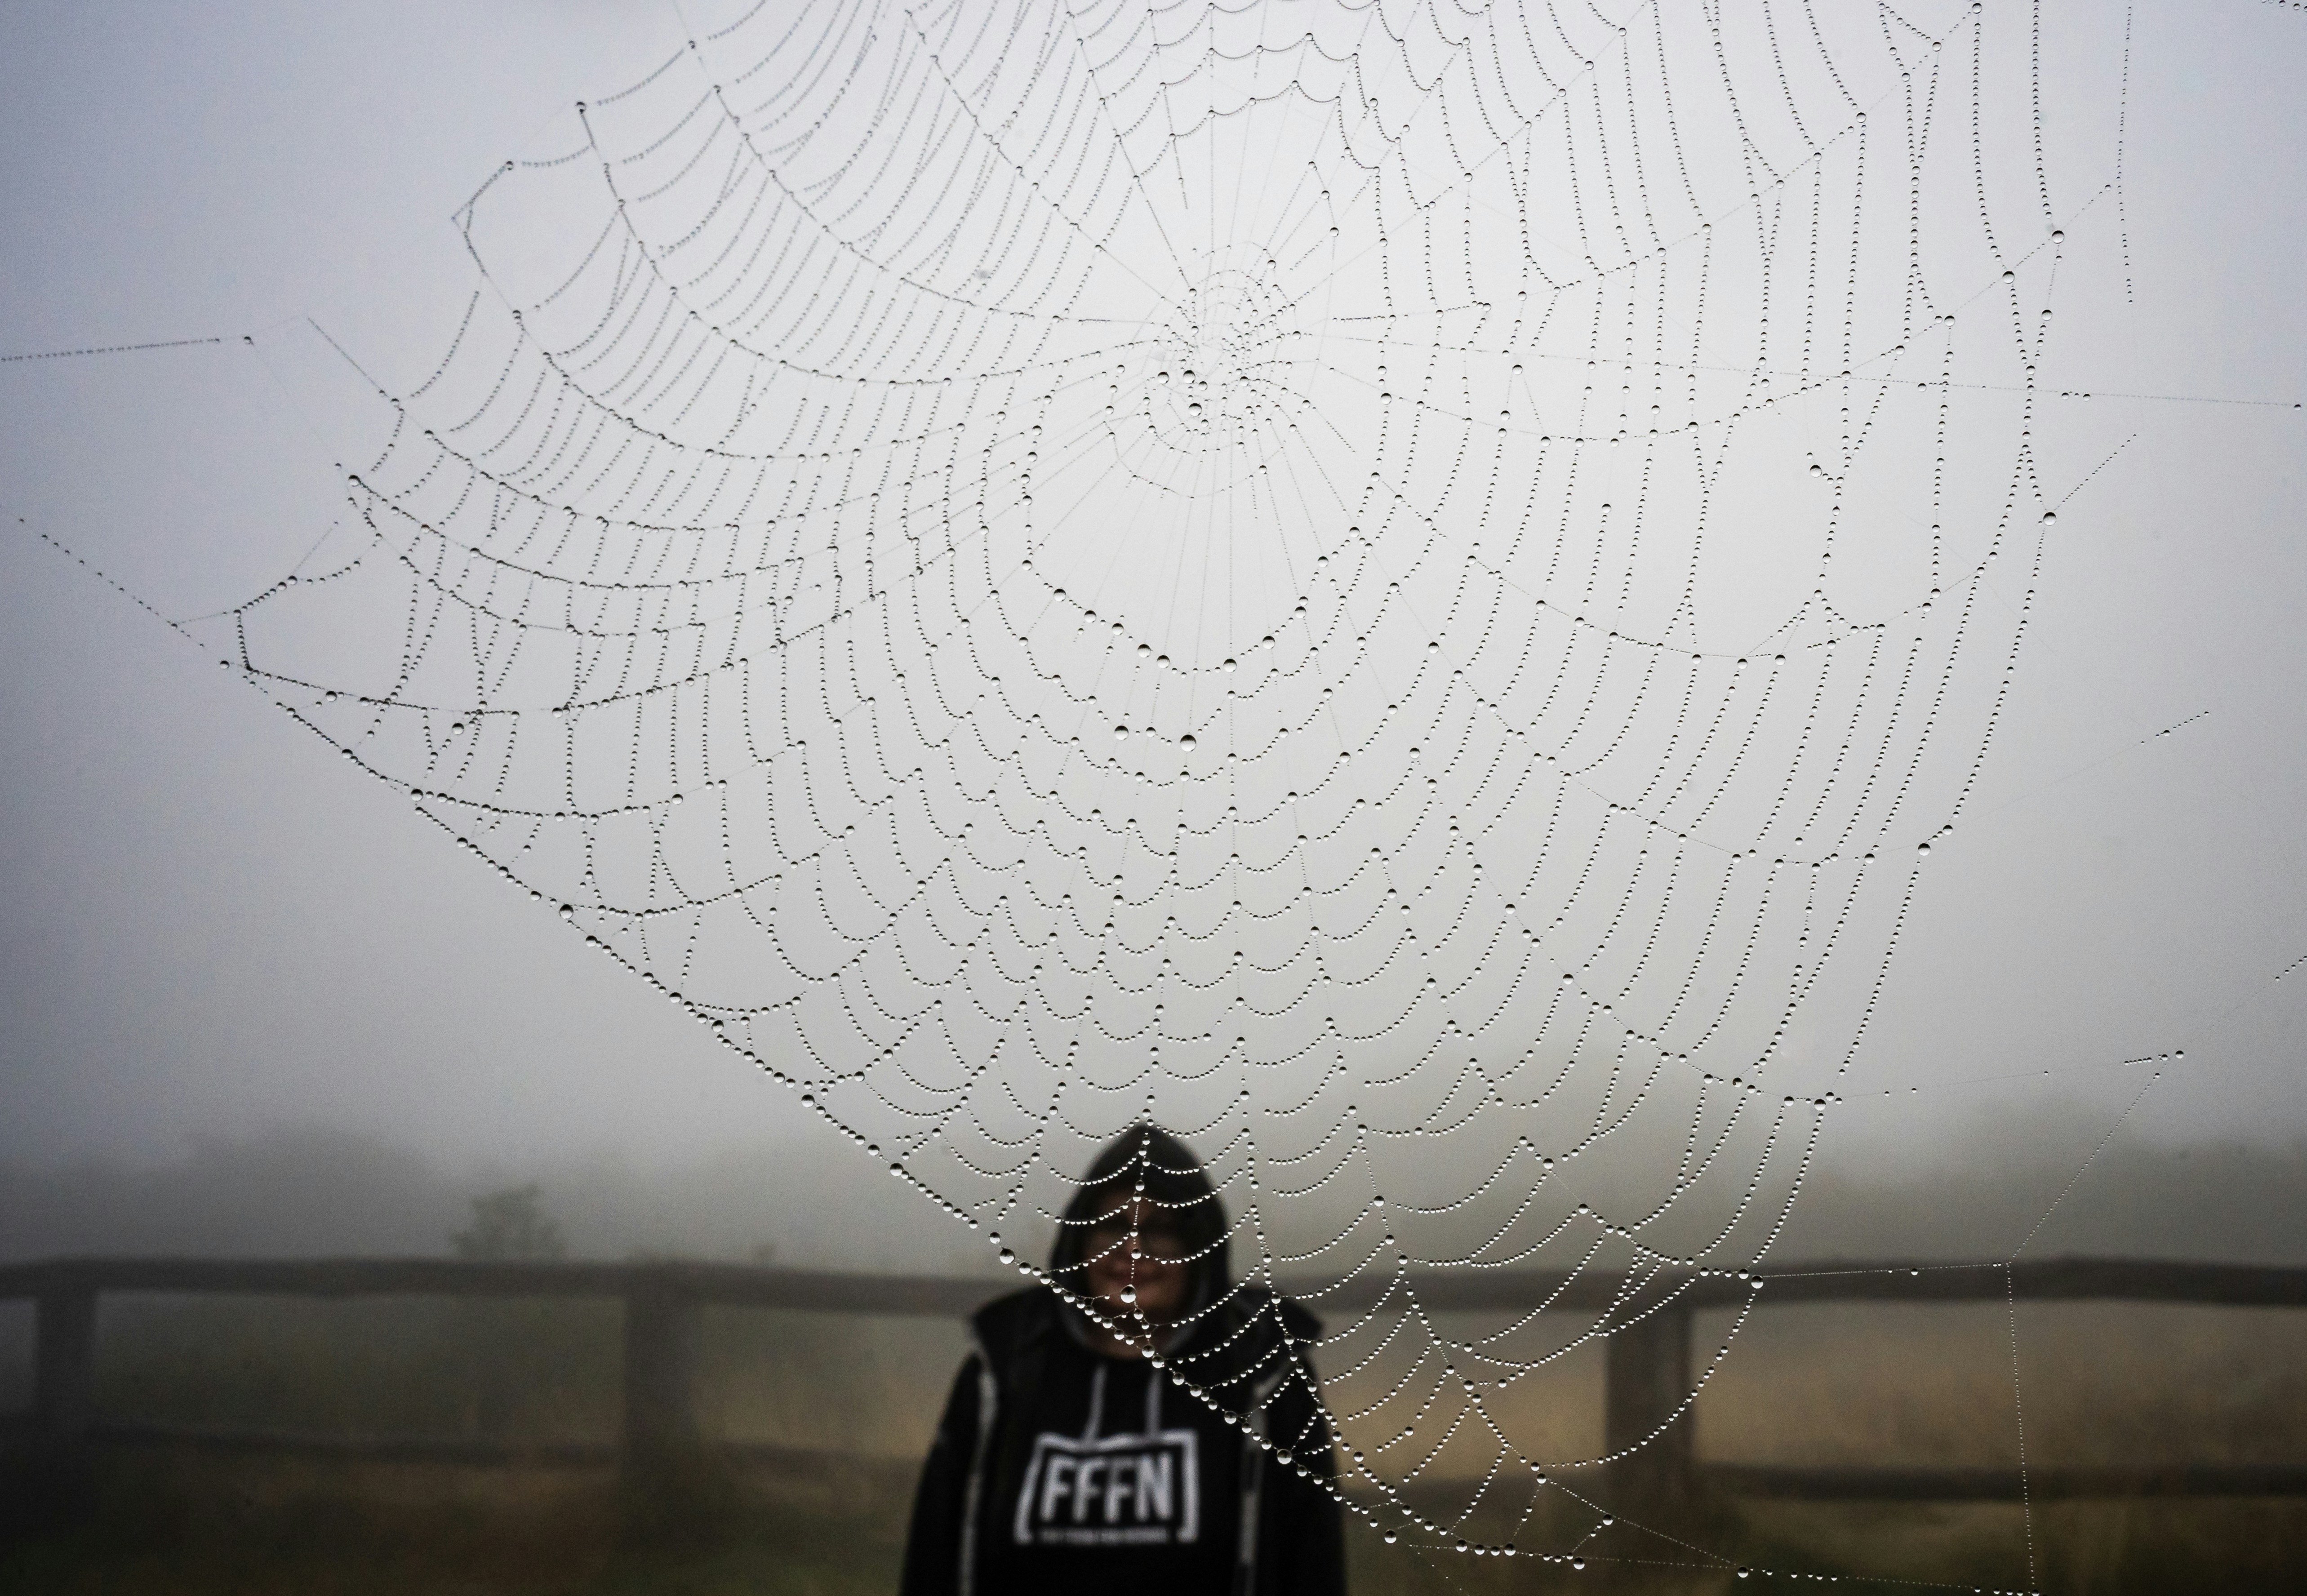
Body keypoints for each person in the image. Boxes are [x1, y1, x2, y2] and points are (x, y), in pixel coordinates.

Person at [900, 1124, 1347, 1596]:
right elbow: (936, 1549)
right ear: (1079, 1239)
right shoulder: (1005, 1362)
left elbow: (1312, 1556)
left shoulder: (1261, 1369)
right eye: (1112, 1225)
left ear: (1201, 1245)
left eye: (1161, 1230)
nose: (1132, 1251)